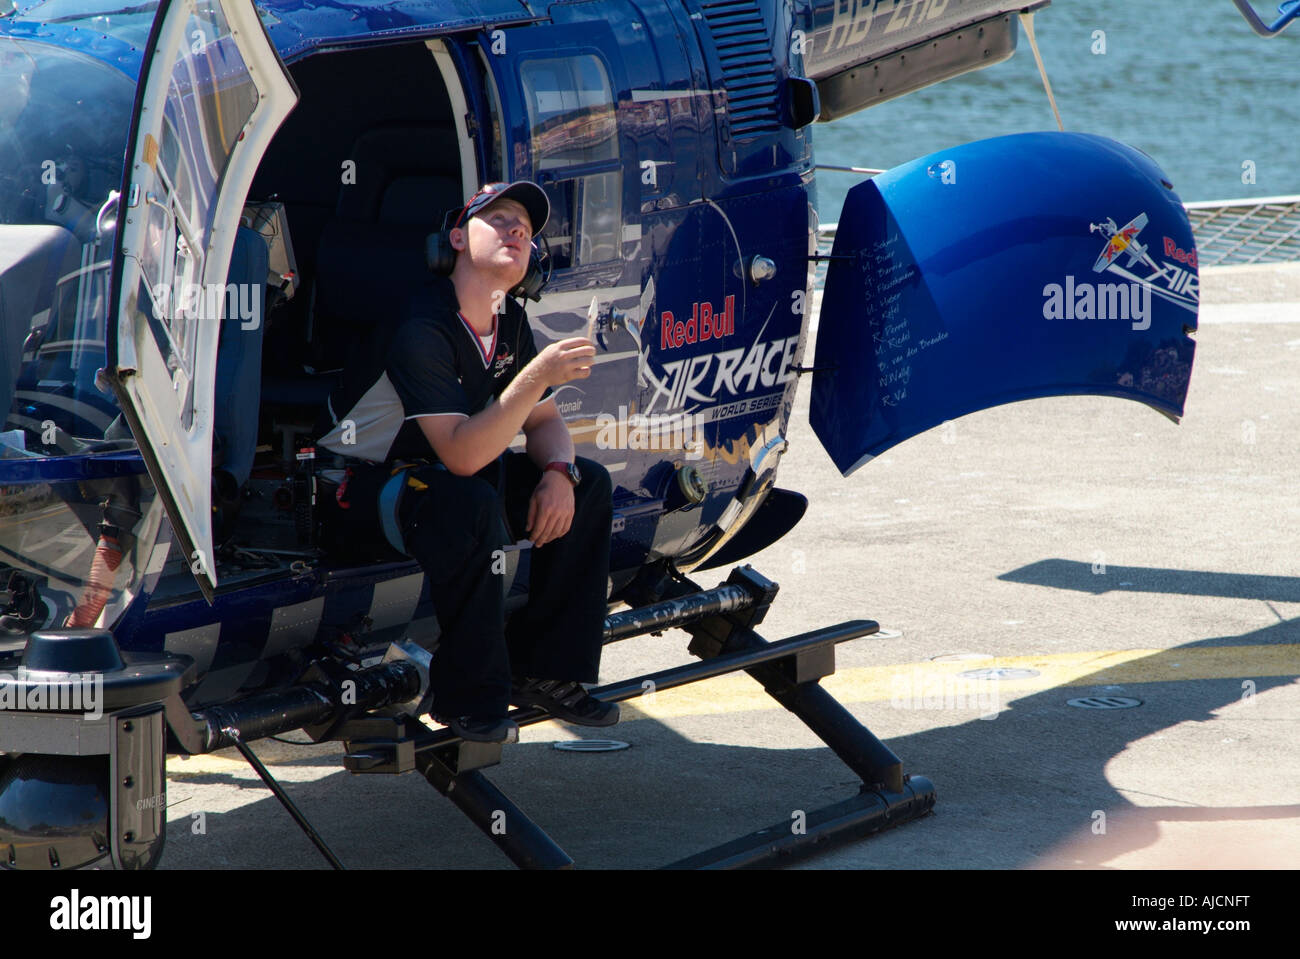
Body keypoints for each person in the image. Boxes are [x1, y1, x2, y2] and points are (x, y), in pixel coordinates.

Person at [318, 181, 616, 744]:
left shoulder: (512, 323)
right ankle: (470, 701)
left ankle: (544, 671)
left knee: (589, 483)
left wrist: (557, 474)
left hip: (442, 480)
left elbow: (546, 423)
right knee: (469, 501)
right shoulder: (421, 325)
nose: (516, 231)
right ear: (456, 238)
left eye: (525, 228)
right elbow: (461, 455)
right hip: (354, 488)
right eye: (499, 219)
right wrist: (538, 376)